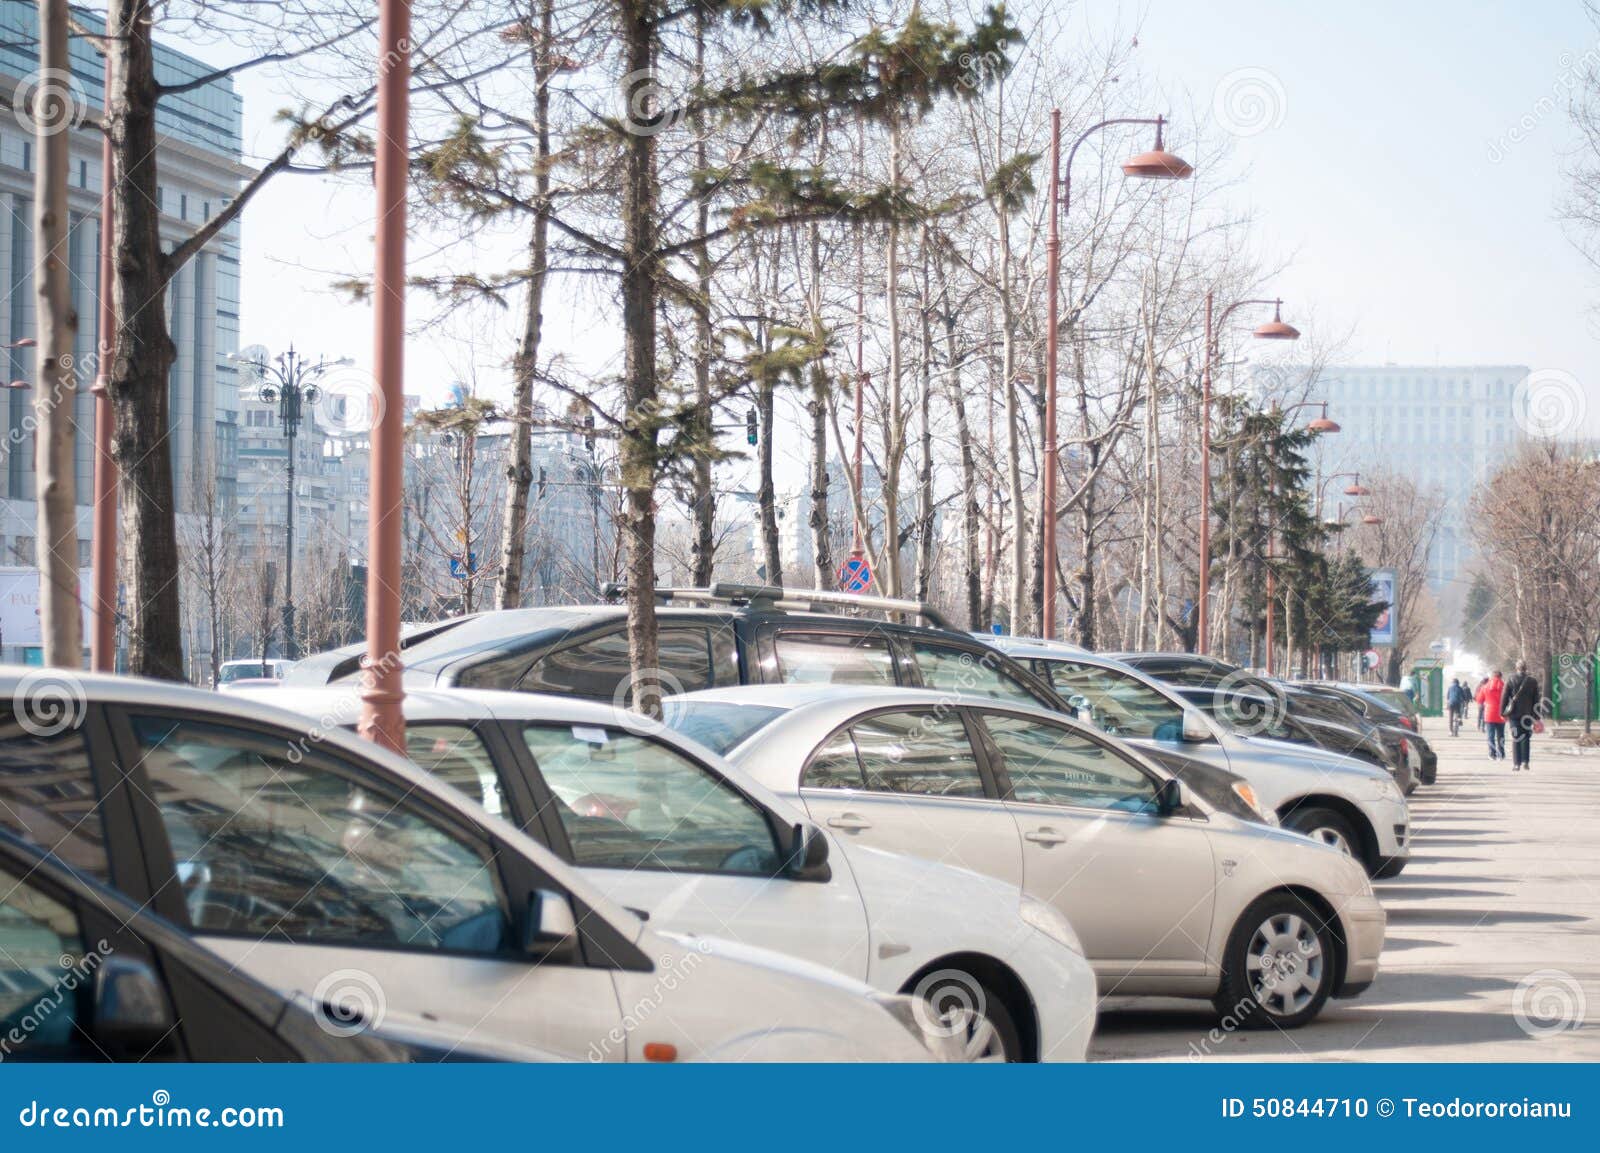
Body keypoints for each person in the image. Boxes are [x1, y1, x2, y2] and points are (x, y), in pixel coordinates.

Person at [1502, 659, 1542, 772]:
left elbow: (1504, 697)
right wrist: (1537, 716)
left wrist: (1502, 712)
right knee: (1525, 737)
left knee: (1516, 738)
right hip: (1527, 714)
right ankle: (1526, 762)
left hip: (1514, 714)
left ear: (1517, 668)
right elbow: (1536, 700)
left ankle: (1516, 764)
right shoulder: (1532, 681)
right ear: (1526, 668)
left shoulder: (1511, 679)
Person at [1478, 669, 1507, 760]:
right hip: (1501, 714)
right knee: (1501, 735)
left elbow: (1479, 699)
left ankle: (1492, 754)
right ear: (1501, 676)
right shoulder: (1505, 686)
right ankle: (1501, 754)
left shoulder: (1485, 687)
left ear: (1492, 676)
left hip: (1489, 714)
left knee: (1490, 735)